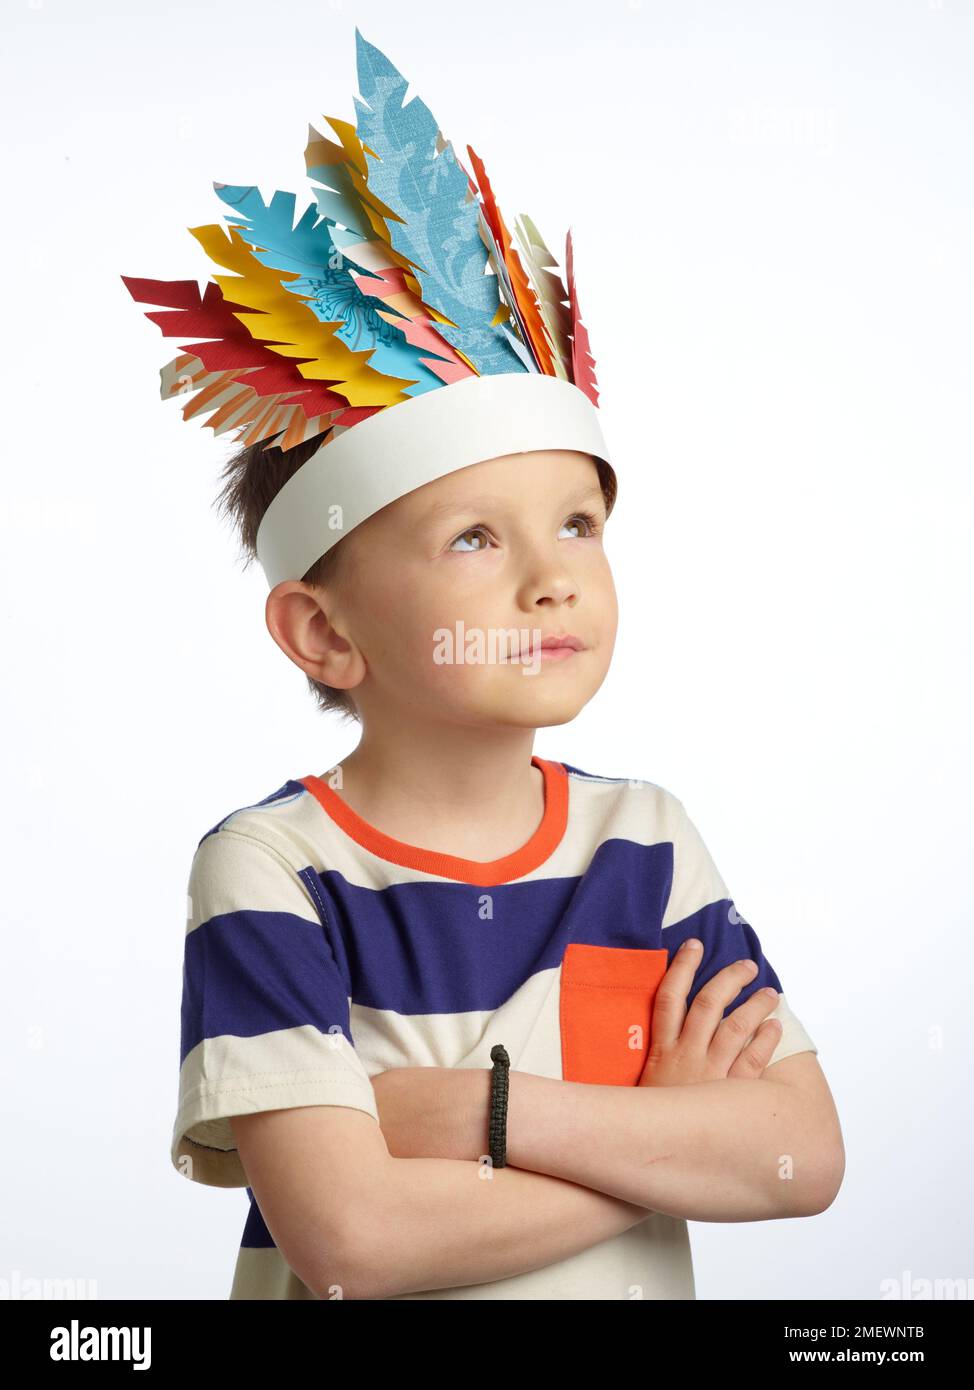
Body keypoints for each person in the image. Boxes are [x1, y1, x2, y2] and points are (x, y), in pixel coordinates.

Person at [124, 29, 844, 1300]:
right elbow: (355, 1246)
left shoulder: (649, 844)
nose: (553, 575)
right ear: (324, 633)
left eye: (577, 521)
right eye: (471, 537)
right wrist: (662, 1138)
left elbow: (797, 1156)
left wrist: (466, 1112)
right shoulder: (270, 873)